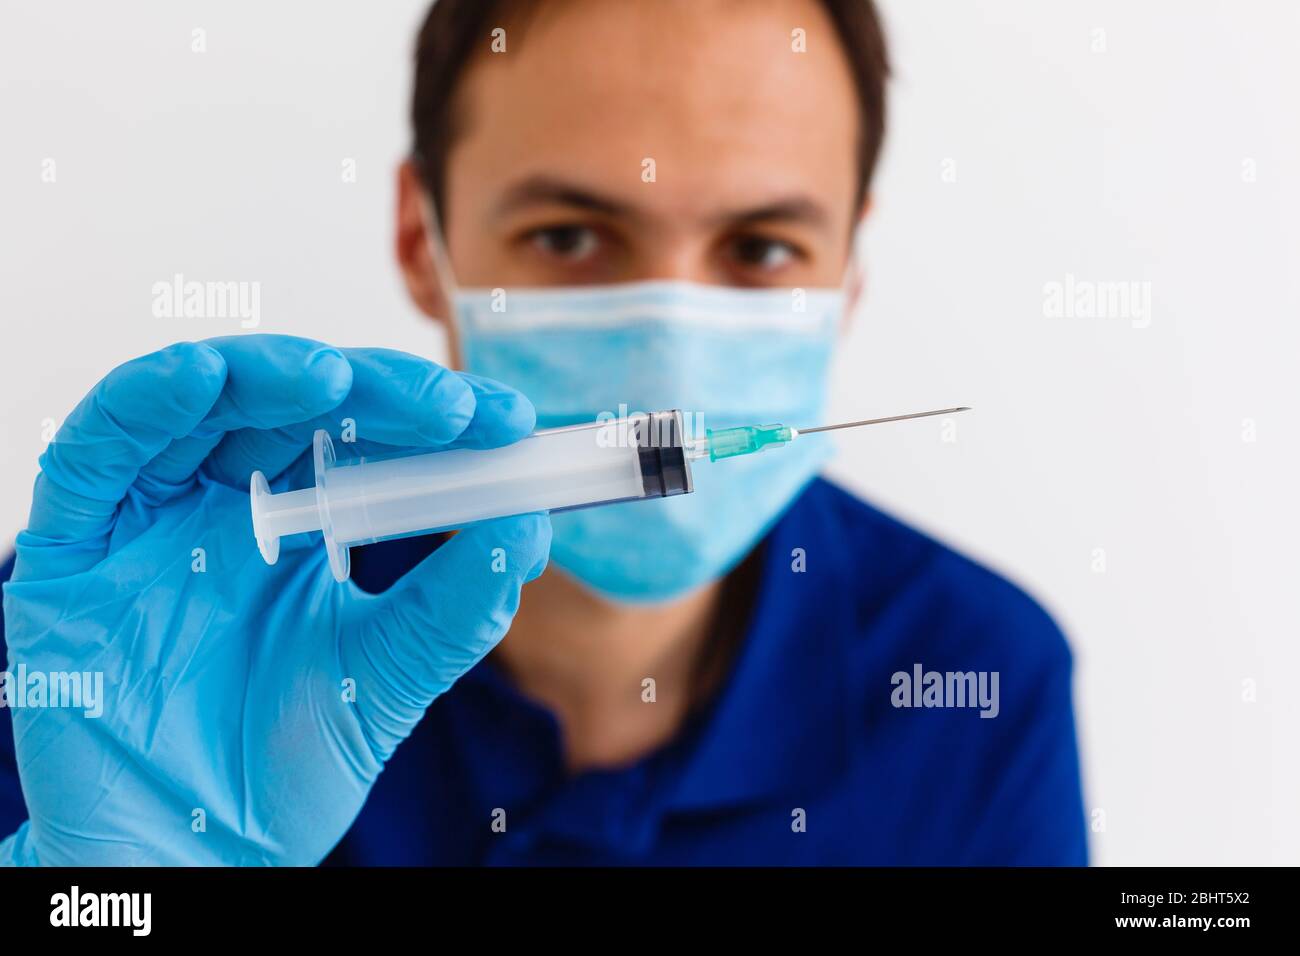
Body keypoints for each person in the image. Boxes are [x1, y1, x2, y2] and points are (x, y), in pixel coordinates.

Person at [0, 0, 1086, 866]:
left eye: (760, 248)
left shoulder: (971, 681)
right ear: (419, 239)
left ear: (848, 273)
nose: (668, 347)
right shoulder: (138, 629)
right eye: (570, 233)